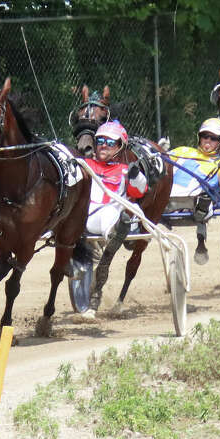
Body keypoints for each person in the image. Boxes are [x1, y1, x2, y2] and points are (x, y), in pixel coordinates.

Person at [81, 120, 148, 313]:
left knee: (113, 213)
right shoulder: (84, 164)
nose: (103, 145)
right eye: (100, 140)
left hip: (108, 216)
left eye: (110, 142)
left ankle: (113, 237)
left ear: (120, 147)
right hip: (82, 214)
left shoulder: (126, 170)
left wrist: (136, 175)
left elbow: (139, 192)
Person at [168, 117, 220, 264]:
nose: (208, 141)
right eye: (205, 136)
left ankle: (201, 239)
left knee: (204, 198)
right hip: (167, 199)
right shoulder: (183, 151)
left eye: (214, 138)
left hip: (200, 204)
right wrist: (159, 152)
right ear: (199, 137)